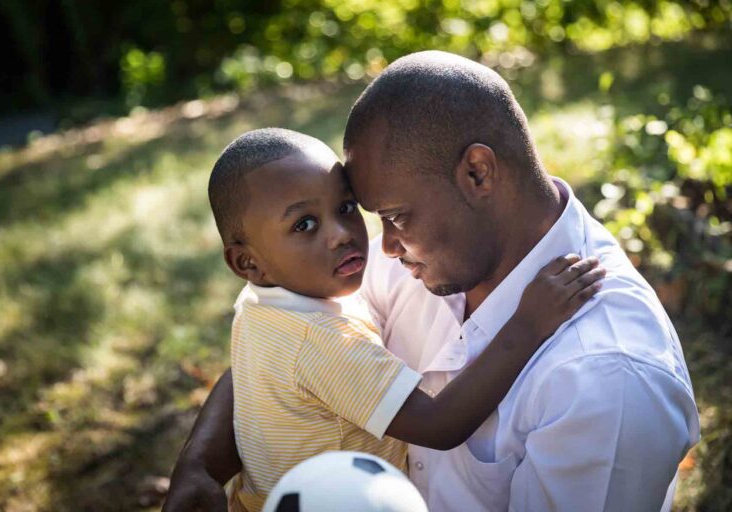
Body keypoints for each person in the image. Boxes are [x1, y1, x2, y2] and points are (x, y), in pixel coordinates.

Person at [164, 52, 700, 512]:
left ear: (477, 173)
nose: (384, 248)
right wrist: (199, 466)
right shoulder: (397, 258)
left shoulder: (606, 381)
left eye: (394, 217)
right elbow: (275, 345)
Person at [196, 127, 602, 511]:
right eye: (304, 224)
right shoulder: (321, 342)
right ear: (248, 262)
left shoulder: (262, 303)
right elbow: (440, 425)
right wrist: (527, 325)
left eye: (346, 207)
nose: (341, 233)